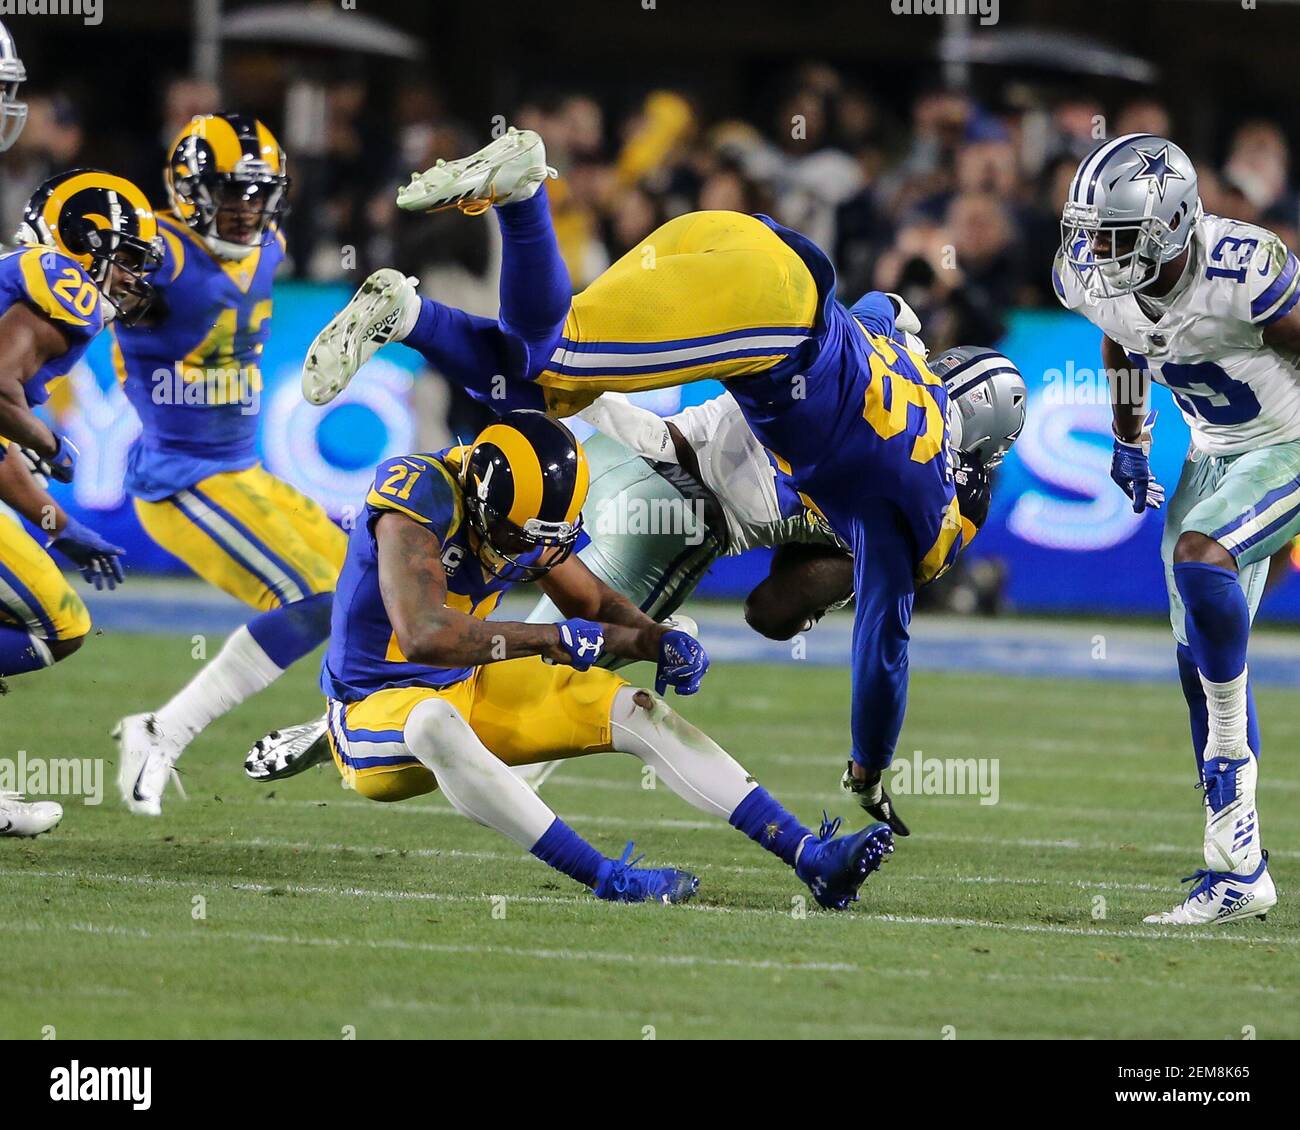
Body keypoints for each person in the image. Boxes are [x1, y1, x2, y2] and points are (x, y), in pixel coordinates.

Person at [301, 127, 1026, 836]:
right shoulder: (913, 514)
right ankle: (521, 197)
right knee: (553, 381)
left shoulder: (905, 360)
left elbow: (882, 310)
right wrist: (870, 766)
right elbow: (852, 644)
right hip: (736, 380)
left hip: (744, 245)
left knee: (534, 374)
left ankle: (412, 312)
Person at [319, 407, 893, 907]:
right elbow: (423, 634)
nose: (527, 549)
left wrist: (656, 640)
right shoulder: (417, 499)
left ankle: (809, 855)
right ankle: (605, 877)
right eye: (522, 537)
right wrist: (549, 639)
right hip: (374, 707)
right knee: (432, 723)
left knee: (638, 709)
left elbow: (591, 600)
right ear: (480, 498)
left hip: (466, 684)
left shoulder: (522, 511)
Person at [1055, 133, 1300, 924]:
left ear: (1170, 224)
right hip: (1212, 452)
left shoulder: (1241, 271)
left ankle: (1233, 752)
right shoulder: (1103, 282)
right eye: (1091, 233)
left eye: (1115, 235)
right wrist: (1129, 437)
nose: (1096, 252)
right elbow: (1123, 339)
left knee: (1202, 560)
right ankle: (1240, 870)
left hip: (1288, 439)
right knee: (1198, 661)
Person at [110, 113, 344, 817]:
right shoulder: (157, 252)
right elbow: (69, 290)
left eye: (257, 193)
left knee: (367, 590)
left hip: (244, 472)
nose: (245, 210)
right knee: (313, 599)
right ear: (186, 188)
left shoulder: (267, 242)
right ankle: (162, 729)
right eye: (228, 192)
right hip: (182, 479)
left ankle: (348, 724)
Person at [0, 161, 157, 836]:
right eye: (124, 259)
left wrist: (58, 525)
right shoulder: (59, 283)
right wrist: (50, 441)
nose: (131, 278)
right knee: (58, 626)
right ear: (83, 242)